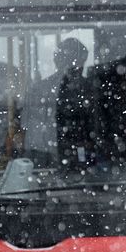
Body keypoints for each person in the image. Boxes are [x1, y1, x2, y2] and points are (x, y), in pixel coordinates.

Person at [22, 38, 89, 166]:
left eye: (77, 61)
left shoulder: (91, 88)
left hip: (81, 158)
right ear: (57, 61)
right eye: (68, 60)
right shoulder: (39, 90)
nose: (74, 66)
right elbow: (31, 132)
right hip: (47, 157)